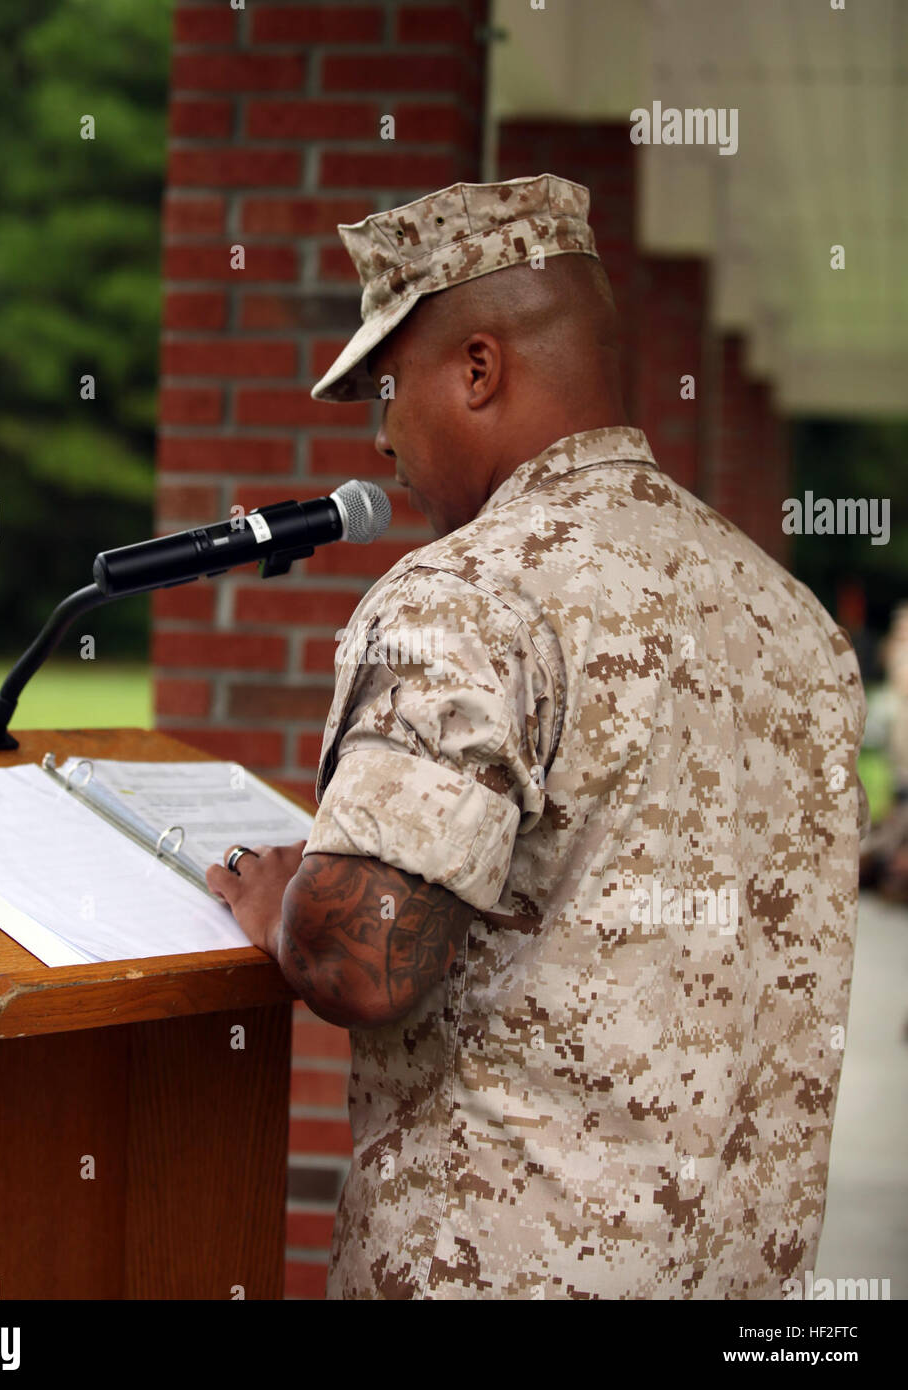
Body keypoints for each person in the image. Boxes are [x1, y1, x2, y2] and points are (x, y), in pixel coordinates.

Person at [207, 174, 869, 1299]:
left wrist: (280, 909)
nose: (378, 438)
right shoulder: (788, 616)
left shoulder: (468, 592)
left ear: (477, 367)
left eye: (385, 385)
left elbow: (365, 956)